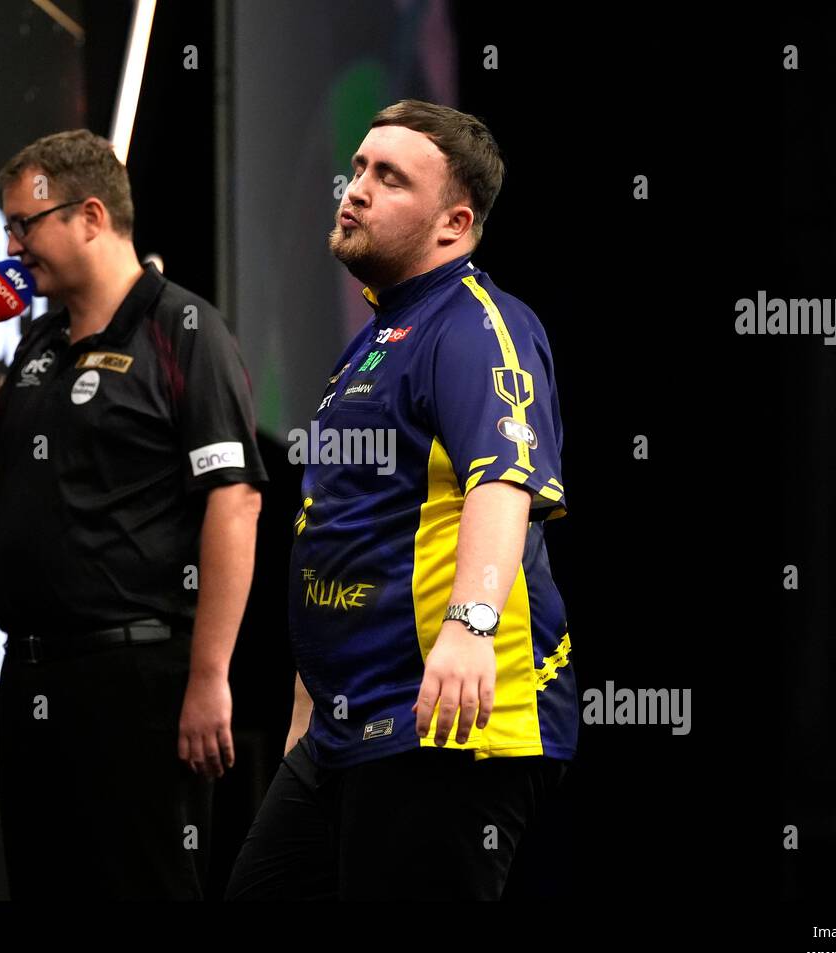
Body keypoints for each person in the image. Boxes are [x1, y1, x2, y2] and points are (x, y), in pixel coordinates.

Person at [227, 100, 576, 900]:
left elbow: (505, 477)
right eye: (357, 168)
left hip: (447, 723)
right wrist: (305, 706)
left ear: (454, 223)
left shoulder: (478, 325)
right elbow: (336, 526)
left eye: (389, 178)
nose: (355, 189)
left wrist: (470, 626)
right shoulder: (376, 341)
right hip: (344, 727)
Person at [0, 129, 267, 899]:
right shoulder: (40, 343)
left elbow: (235, 501)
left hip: (140, 680)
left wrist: (210, 675)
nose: (10, 246)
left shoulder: (184, 330)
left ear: (89, 215)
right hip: (33, 678)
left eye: (24, 224)